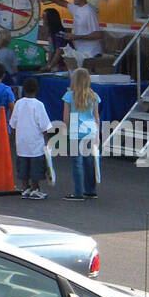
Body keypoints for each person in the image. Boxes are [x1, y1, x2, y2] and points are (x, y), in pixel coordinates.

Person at [9, 75, 52, 200]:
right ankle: (35, 188)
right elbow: (44, 125)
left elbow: (13, 123)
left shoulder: (18, 104)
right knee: (36, 167)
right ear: (37, 89)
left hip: (21, 141)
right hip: (35, 142)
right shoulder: (39, 105)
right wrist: (47, 140)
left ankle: (25, 188)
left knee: (23, 166)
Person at [62, 66, 100, 200]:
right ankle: (90, 190)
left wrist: (66, 129)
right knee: (89, 162)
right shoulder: (94, 96)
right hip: (90, 130)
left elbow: (66, 117)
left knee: (76, 162)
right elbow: (96, 117)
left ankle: (78, 192)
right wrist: (98, 135)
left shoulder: (69, 96)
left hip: (75, 130)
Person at [47, 0, 104, 68]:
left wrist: (76, 37)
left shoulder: (89, 12)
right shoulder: (76, 8)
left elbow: (98, 34)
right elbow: (64, 3)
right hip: (81, 53)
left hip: (91, 54)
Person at [43, 4, 69, 71]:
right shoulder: (50, 33)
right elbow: (51, 50)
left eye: (44, 18)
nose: (43, 20)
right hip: (58, 64)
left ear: (51, 19)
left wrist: (49, 66)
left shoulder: (60, 34)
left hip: (66, 65)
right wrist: (48, 64)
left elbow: (58, 52)